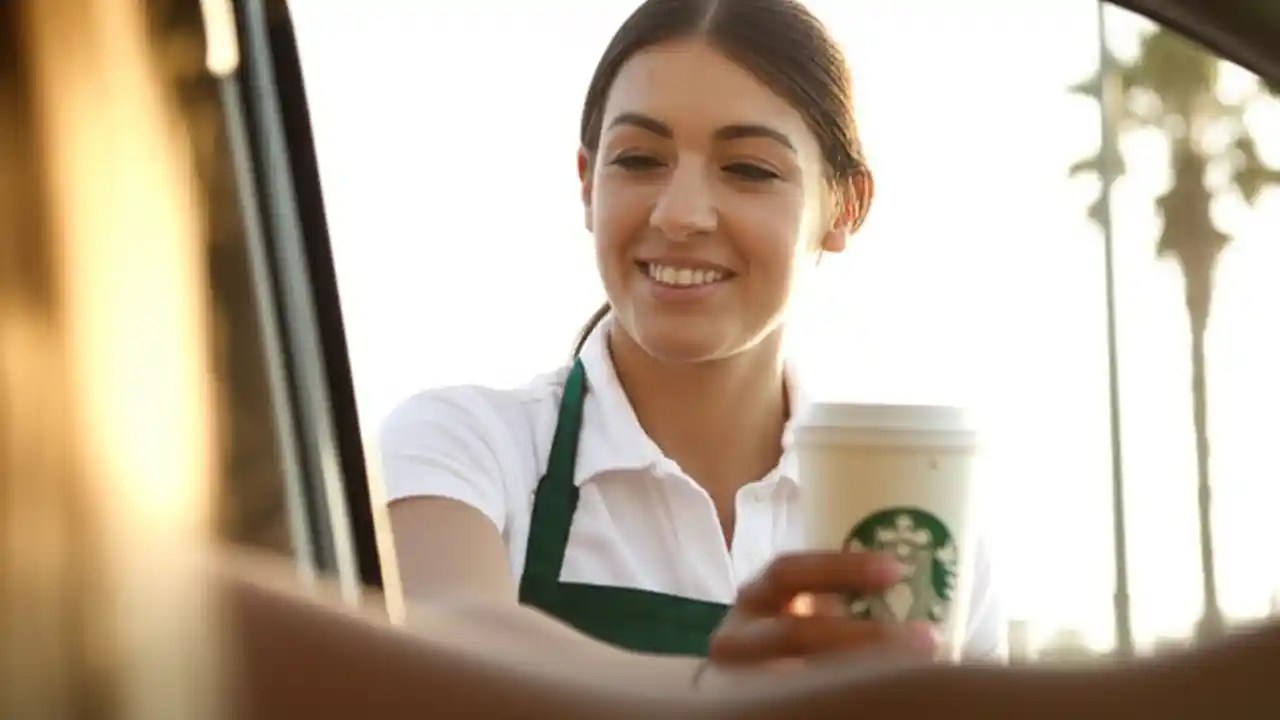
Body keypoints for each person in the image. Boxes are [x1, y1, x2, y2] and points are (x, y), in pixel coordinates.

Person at [379, 0, 1004, 677]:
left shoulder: (922, 532)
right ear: (587, 184)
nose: (679, 214)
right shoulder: (466, 446)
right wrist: (719, 690)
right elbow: (445, 658)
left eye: (749, 169)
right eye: (639, 159)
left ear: (845, 206)